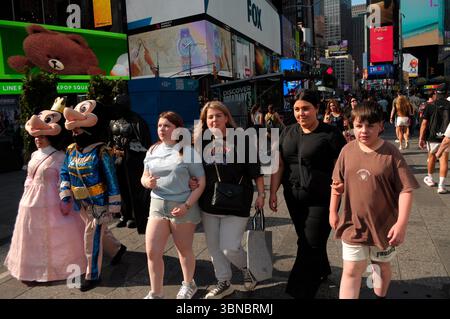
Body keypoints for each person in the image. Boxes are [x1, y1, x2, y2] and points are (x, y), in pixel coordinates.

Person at [329, 103, 419, 299]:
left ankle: (380, 295)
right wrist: (332, 211)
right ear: (351, 125)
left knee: (380, 267)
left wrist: (401, 224)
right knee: (351, 271)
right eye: (359, 125)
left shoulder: (390, 152)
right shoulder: (347, 151)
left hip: (384, 226)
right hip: (352, 224)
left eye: (370, 126)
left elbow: (406, 189)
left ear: (380, 126)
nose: (364, 131)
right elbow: (337, 184)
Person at [269, 90, 346, 299]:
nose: (301, 113)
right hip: (293, 197)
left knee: (308, 243)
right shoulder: (287, 132)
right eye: (296, 109)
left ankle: (299, 291)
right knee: (307, 238)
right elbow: (280, 164)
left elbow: (343, 165)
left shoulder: (330, 134)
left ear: (317, 109)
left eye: (306, 109)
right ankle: (322, 270)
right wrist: (273, 192)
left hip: (322, 198)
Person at [4, 97, 86, 283]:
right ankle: (32, 270)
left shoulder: (59, 157)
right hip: (30, 203)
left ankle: (59, 270)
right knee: (32, 237)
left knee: (56, 236)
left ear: (50, 137)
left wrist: (66, 198)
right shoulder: (33, 155)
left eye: (42, 137)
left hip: (53, 202)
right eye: (36, 138)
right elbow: (28, 178)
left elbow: (65, 179)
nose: (38, 140)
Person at [193, 101, 265, 299]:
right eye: (210, 117)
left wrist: (262, 194)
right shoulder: (200, 142)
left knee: (230, 247)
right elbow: (194, 172)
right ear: (205, 121)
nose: (214, 120)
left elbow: (255, 170)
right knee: (214, 247)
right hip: (209, 202)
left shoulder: (241, 139)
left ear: (226, 118)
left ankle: (246, 269)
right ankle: (224, 282)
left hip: (237, 200)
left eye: (218, 115)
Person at [60, 99, 127, 292]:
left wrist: (114, 206)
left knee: (91, 236)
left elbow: (112, 180)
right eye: (73, 131)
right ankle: (116, 249)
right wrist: (65, 191)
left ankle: (93, 274)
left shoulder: (101, 152)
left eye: (78, 131)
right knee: (98, 231)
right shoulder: (72, 151)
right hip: (81, 203)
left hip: (99, 203)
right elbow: (65, 171)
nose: (75, 134)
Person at [140, 111, 206, 299]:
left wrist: (187, 205)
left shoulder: (188, 151)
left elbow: (201, 183)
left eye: (167, 125)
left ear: (178, 129)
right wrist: (147, 182)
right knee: (152, 252)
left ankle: (188, 284)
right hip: (157, 205)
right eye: (160, 125)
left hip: (183, 206)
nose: (162, 129)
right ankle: (156, 292)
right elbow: (144, 175)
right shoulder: (152, 150)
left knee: (183, 250)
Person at [109, 94, 152, 233]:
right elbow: (109, 140)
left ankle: (134, 215)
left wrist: (130, 147)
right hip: (117, 159)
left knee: (134, 188)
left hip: (133, 160)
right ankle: (124, 214)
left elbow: (144, 142)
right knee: (120, 188)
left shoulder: (136, 120)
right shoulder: (113, 121)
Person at [419, 87, 450, 194]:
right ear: (446, 93)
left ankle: (430, 179)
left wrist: (421, 138)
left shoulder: (430, 105)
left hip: (432, 136)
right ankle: (441, 186)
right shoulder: (449, 105)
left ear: (436, 93)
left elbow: (424, 123)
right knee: (444, 160)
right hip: (446, 137)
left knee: (431, 156)